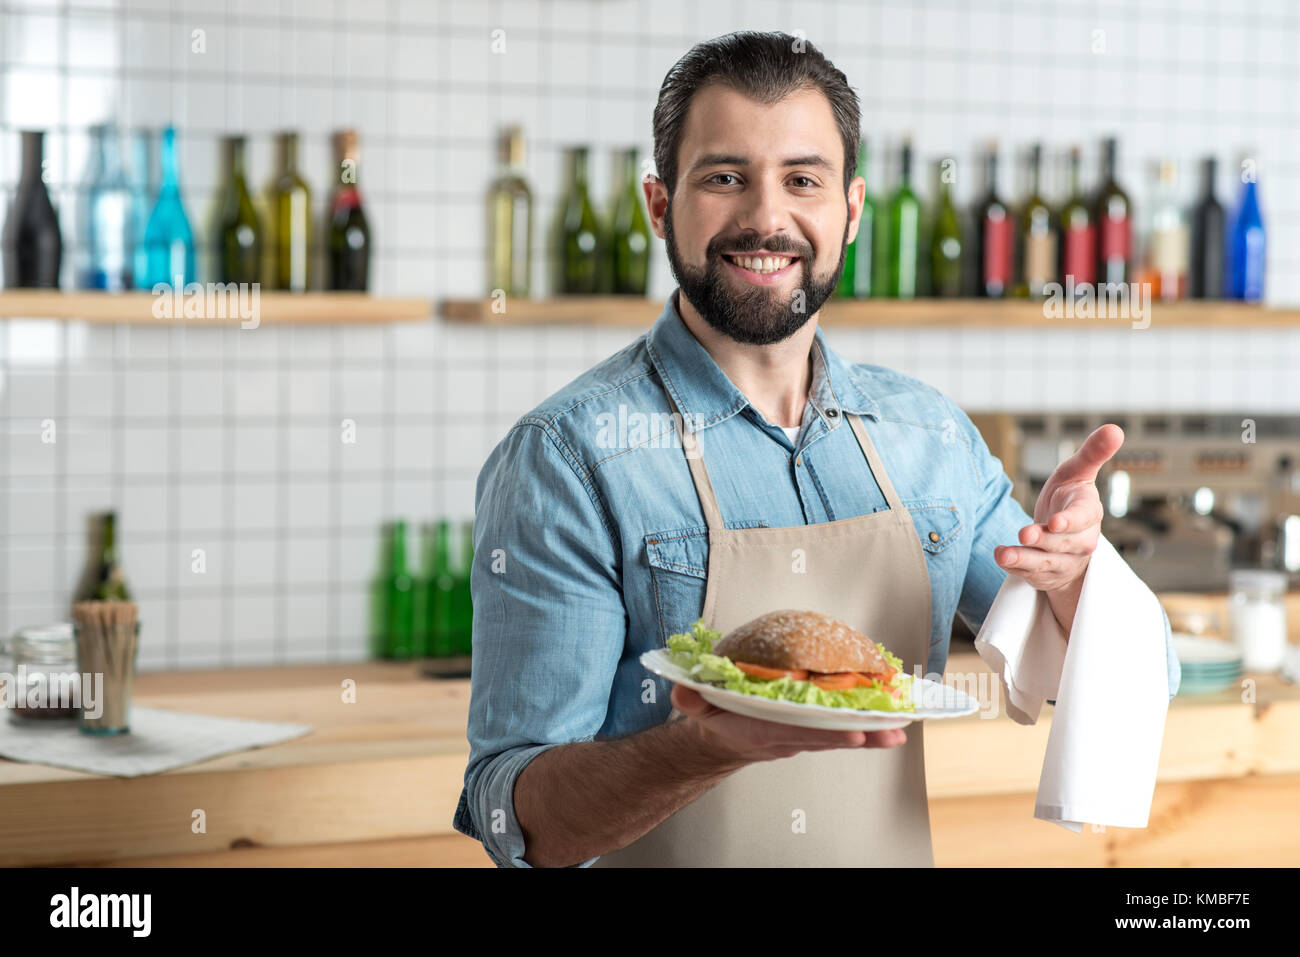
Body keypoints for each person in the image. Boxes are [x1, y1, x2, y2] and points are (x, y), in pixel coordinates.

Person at [453, 30, 1180, 868]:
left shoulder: (930, 439)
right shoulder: (567, 458)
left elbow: (1130, 674)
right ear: (659, 205)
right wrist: (707, 746)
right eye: (725, 178)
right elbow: (517, 814)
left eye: (803, 180)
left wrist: (1076, 576)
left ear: (852, 209)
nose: (767, 217)